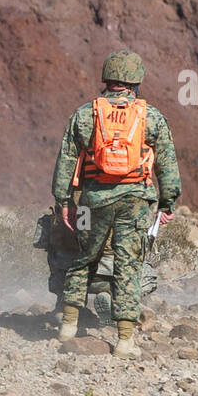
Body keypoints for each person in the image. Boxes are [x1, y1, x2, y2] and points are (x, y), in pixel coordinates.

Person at [50, 50, 181, 358]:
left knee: (83, 257)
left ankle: (68, 325)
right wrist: (166, 204)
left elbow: (66, 161)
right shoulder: (151, 117)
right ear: (135, 81)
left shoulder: (85, 114)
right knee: (128, 266)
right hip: (135, 202)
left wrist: (64, 202)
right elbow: (167, 165)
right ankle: (124, 341)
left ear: (107, 78)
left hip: (91, 202)